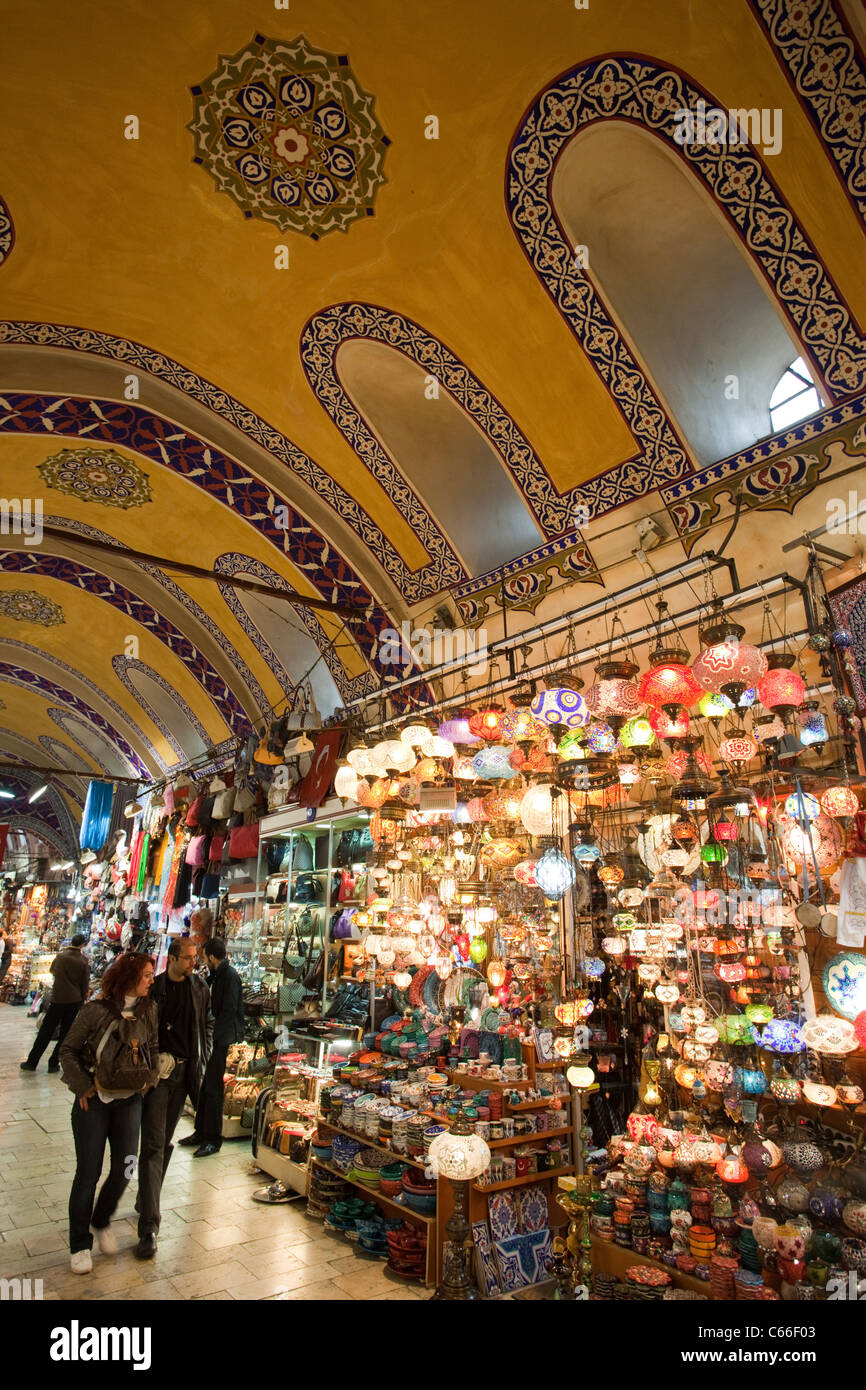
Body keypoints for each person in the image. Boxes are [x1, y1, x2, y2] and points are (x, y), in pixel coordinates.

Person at [58, 952, 158, 1275]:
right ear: (129, 977)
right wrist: (83, 1087)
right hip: (95, 1102)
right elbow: (68, 1050)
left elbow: (153, 1048)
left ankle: (101, 1219)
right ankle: (79, 1243)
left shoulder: (150, 1011)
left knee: (127, 1168)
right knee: (88, 1172)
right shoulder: (95, 1011)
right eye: (145, 975)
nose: (151, 980)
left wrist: (149, 1078)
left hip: (130, 1102)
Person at [135, 936, 212, 1259]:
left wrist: (203, 1057)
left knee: (163, 1142)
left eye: (196, 957)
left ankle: (146, 1197)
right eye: (189, 957)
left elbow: (207, 1023)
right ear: (173, 958)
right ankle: (149, 1226)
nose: (194, 962)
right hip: (157, 1077)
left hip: (183, 1075)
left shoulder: (200, 988)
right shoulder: (156, 988)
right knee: (153, 1145)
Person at [178, 937, 245, 1156]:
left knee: (213, 1089)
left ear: (213, 957)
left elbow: (228, 1010)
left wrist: (214, 1037)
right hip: (211, 1039)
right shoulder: (217, 975)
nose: (203, 961)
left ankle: (213, 1140)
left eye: (205, 957)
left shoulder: (230, 976)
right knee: (205, 1087)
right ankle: (201, 1132)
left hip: (219, 1039)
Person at [20, 932, 90, 1073]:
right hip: (74, 1000)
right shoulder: (83, 961)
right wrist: (82, 1000)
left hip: (58, 998)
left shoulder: (61, 956)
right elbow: (85, 984)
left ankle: (32, 1062)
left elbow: (53, 971)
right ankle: (53, 1063)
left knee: (46, 1031)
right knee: (65, 1034)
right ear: (82, 945)